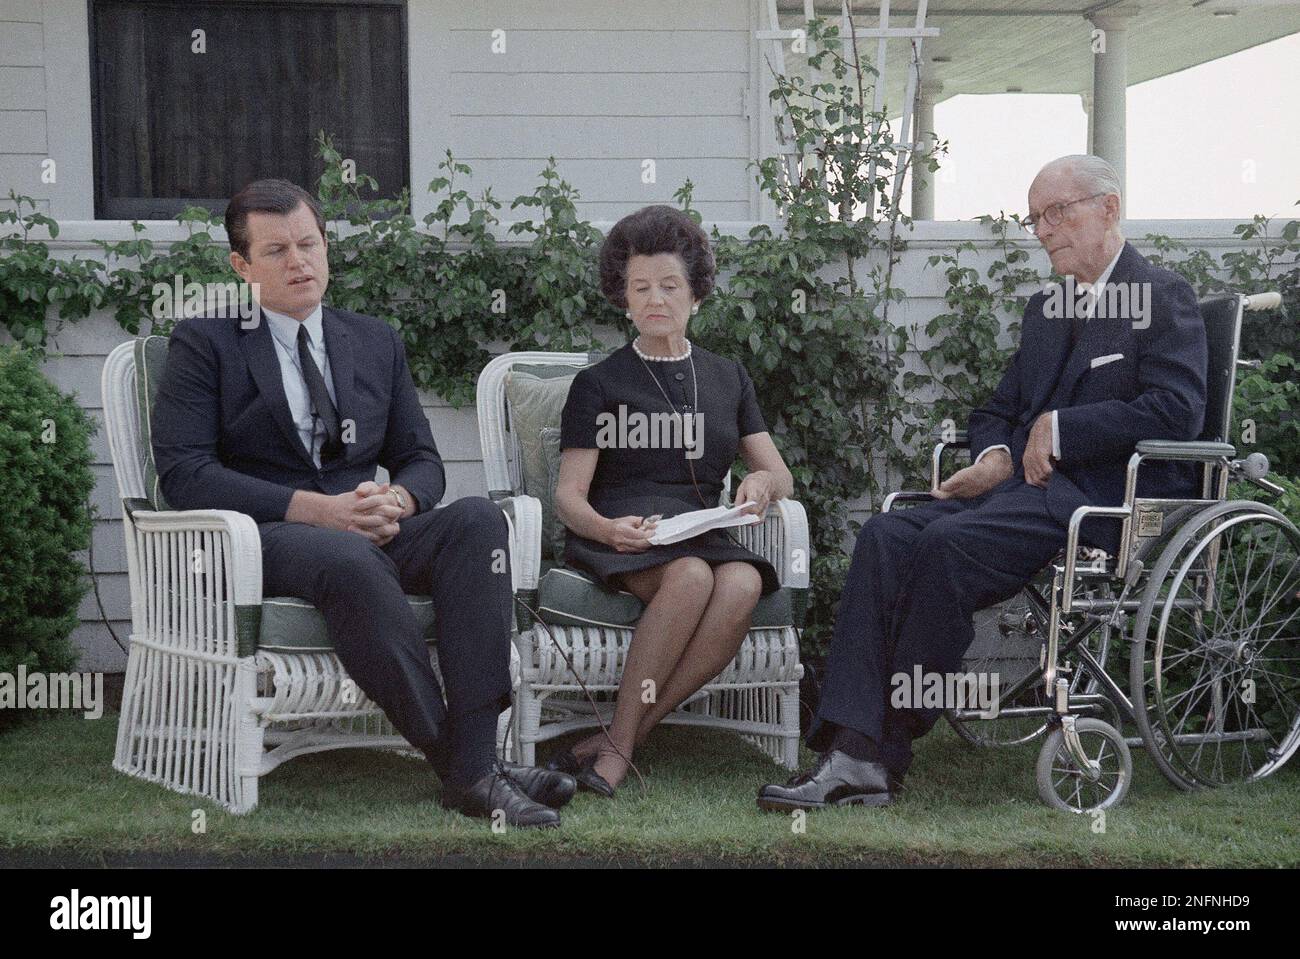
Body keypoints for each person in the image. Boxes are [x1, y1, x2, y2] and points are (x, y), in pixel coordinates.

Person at [758, 154, 1208, 810]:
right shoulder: (1046, 309)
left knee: (947, 546)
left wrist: (1065, 427)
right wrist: (996, 451)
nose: (1045, 230)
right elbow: (998, 409)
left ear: (1108, 208)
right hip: (1018, 494)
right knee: (886, 532)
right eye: (1036, 220)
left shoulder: (1162, 297)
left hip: (1099, 502)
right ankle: (853, 746)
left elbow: (1177, 409)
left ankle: (882, 748)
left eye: (1058, 212)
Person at [151, 178, 574, 828]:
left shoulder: (374, 341)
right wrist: (319, 510)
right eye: (276, 251)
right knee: (347, 555)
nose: (298, 261)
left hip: (368, 527)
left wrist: (399, 497)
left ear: (326, 246)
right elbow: (186, 475)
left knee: (476, 521)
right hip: (266, 537)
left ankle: (477, 763)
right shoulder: (205, 343)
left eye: (308, 243)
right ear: (240, 265)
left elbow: (422, 460)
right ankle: (470, 768)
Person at [549, 205, 795, 796]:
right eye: (641, 288)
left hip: (702, 528)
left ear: (696, 294)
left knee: (741, 582)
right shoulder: (599, 384)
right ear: (623, 298)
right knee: (688, 576)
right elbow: (568, 496)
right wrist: (609, 530)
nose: (655, 299)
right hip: (625, 534)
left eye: (669, 285)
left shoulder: (727, 377)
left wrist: (761, 484)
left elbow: (779, 475)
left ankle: (620, 737)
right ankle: (619, 748)